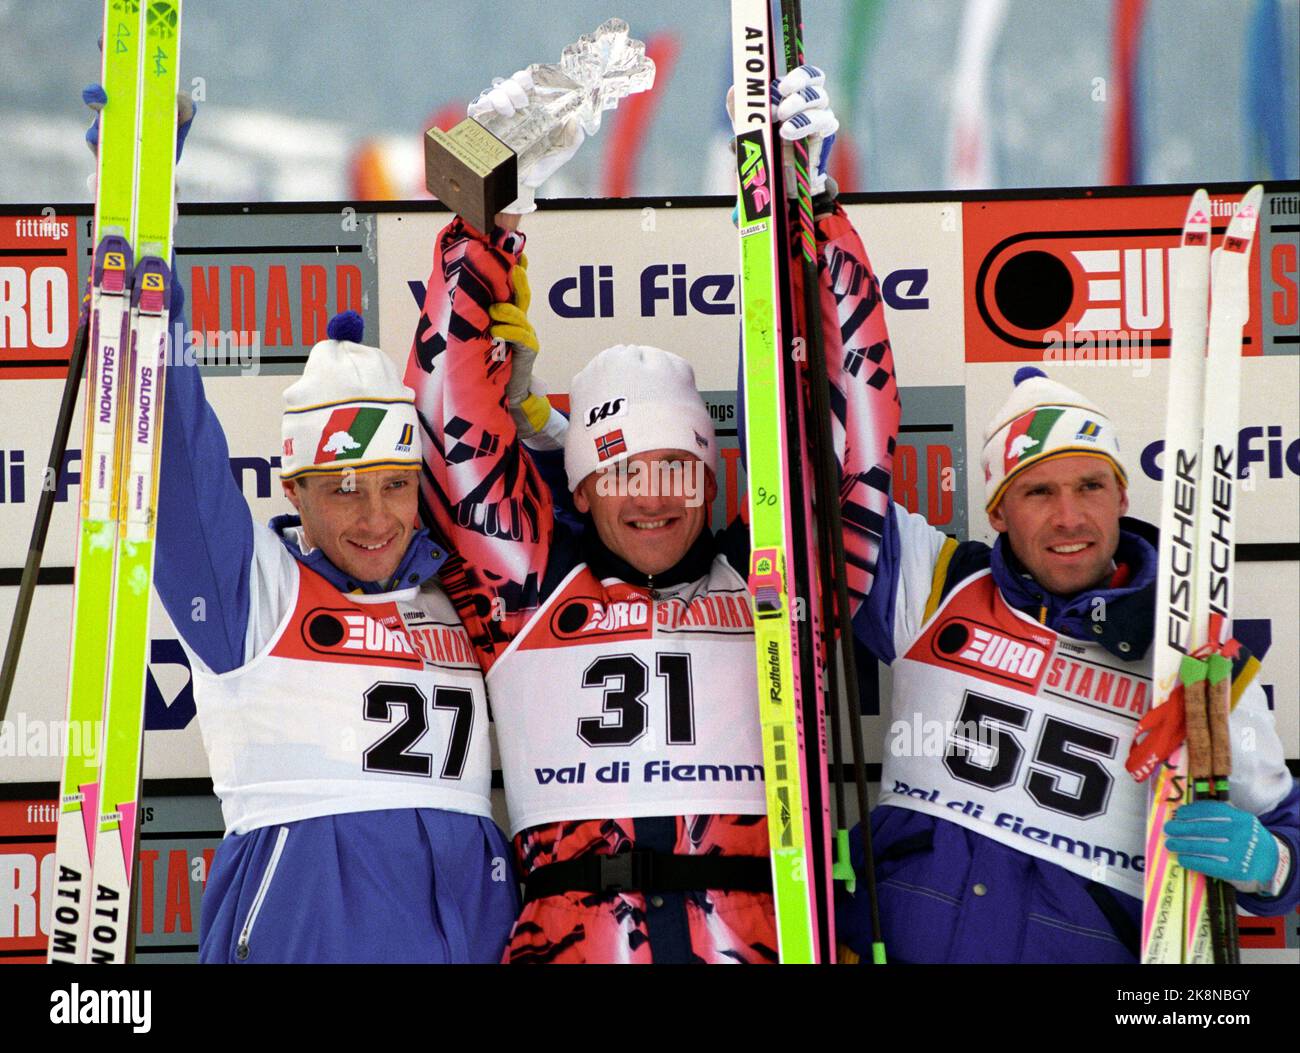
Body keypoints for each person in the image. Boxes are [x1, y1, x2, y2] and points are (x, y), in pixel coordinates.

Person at [404, 67, 897, 963]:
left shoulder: (780, 585)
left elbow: (851, 435)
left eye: (678, 467)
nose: (655, 495)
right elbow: (448, 426)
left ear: (711, 480)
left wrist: (814, 217)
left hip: (759, 936)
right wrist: (485, 224)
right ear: (581, 488)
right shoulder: (523, 593)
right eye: (624, 471)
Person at [84, 86, 520, 963]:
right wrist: (137, 208)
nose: (375, 516)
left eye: (395, 485)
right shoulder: (252, 594)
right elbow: (167, 442)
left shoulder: (462, 592)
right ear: (294, 488)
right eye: (344, 488)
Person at [838, 365, 1300, 963]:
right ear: (998, 511)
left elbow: (1283, 837)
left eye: (1090, 486)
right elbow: (808, 469)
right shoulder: (935, 585)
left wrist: (1268, 863)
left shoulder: (1194, 652)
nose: (1069, 518)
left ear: (1122, 497)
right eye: (1038, 492)